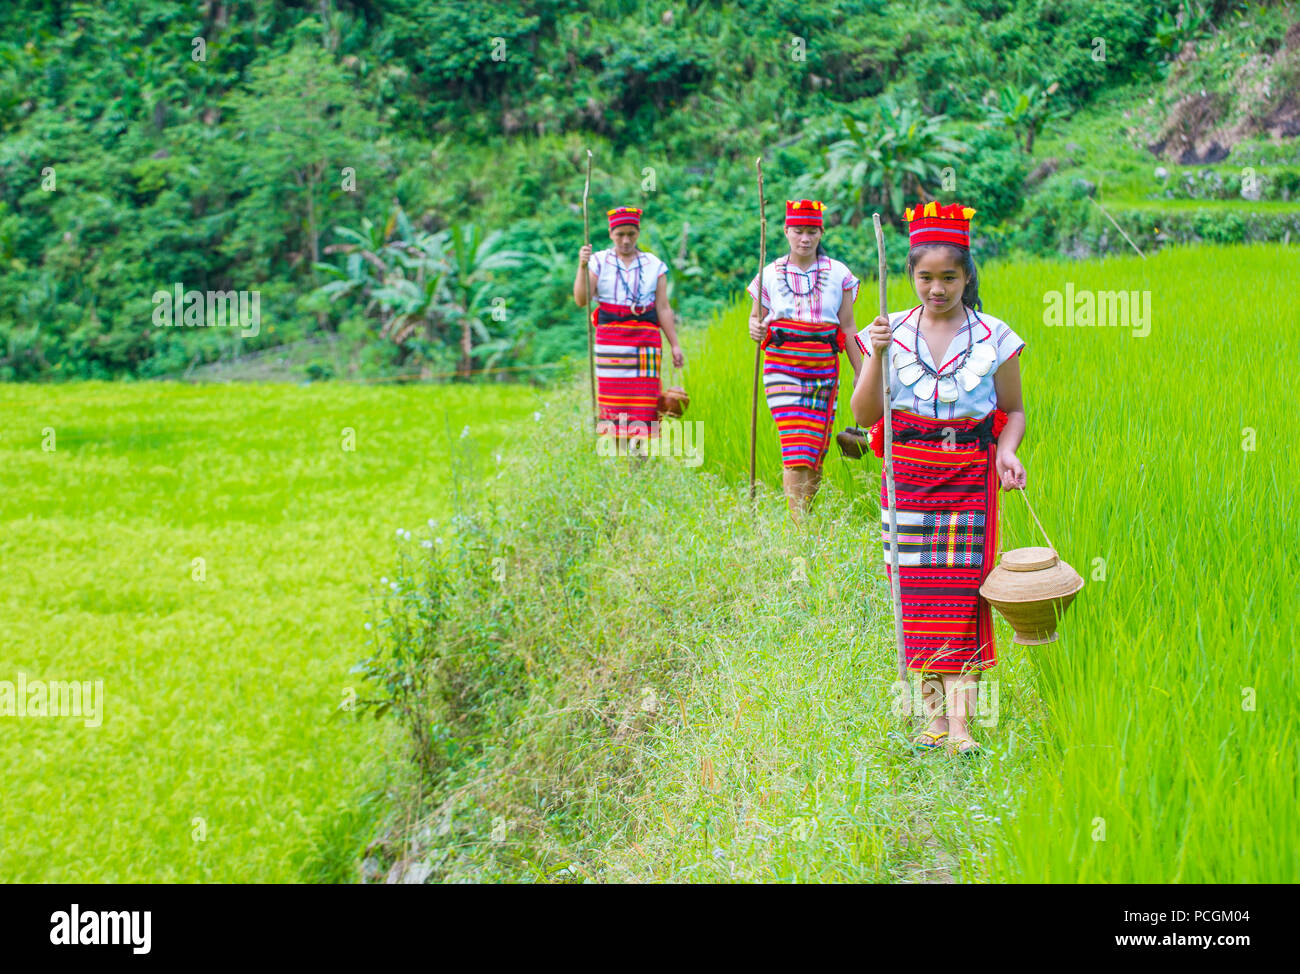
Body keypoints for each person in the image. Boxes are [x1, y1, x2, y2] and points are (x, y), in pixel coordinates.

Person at [849, 201, 1027, 757]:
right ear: (910, 276)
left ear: (967, 276)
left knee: (964, 598)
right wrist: (875, 355)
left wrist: (1007, 452)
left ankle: (962, 728)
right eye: (925, 277)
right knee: (918, 598)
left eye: (949, 277)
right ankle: (931, 721)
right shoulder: (889, 332)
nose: (937, 288)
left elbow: (1014, 411)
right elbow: (862, 415)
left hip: (969, 478)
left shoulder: (995, 336)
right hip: (907, 480)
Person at [746, 199, 864, 521]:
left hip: (824, 368)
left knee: (814, 450)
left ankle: (806, 517)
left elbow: (848, 326)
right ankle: (798, 524)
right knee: (797, 443)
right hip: (782, 366)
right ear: (786, 231)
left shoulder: (839, 273)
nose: (805, 238)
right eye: (798, 231)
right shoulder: (768, 273)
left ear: (821, 232)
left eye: (812, 231)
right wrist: (755, 327)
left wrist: (861, 371)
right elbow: (755, 319)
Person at [574, 205, 685, 458]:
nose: (626, 240)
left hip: (645, 341)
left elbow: (663, 308)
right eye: (620, 234)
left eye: (631, 234)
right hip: (610, 342)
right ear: (611, 233)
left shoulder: (654, 265)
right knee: (615, 403)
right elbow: (582, 300)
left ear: (638, 233)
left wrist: (675, 345)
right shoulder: (598, 261)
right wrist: (582, 266)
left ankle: (639, 463)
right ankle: (621, 459)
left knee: (644, 403)